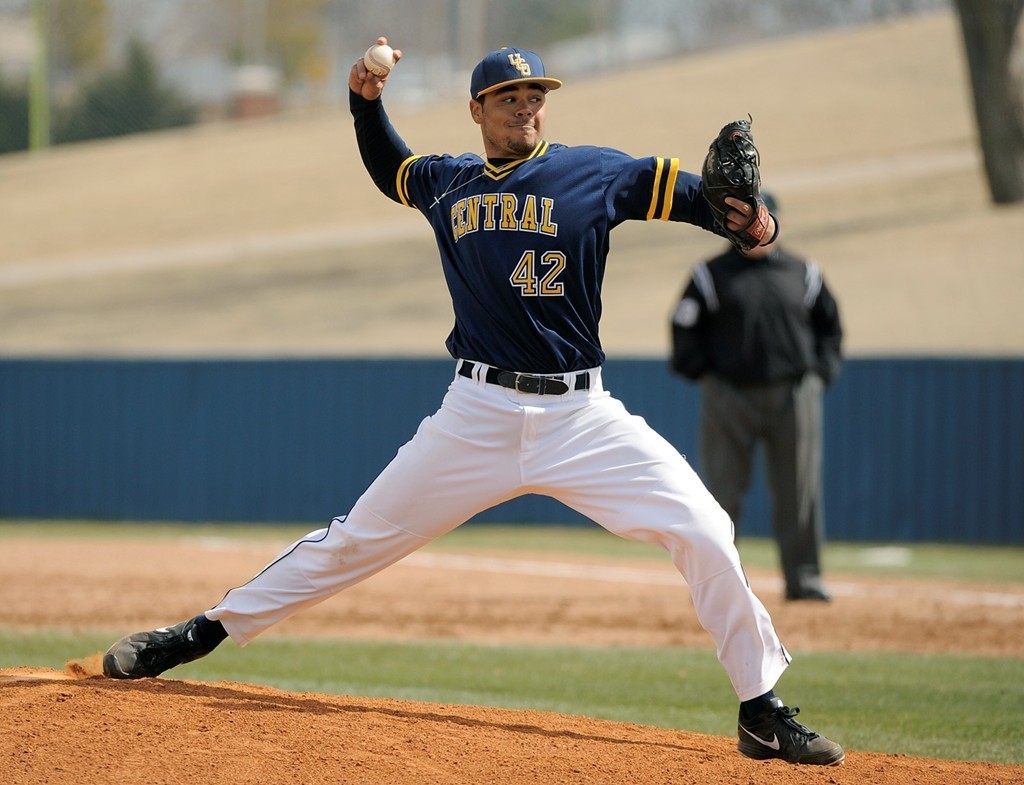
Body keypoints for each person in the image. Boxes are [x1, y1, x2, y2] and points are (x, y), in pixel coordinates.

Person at [101, 39, 844, 767]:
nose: (526, 106)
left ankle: (760, 708)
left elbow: (697, 198)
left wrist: (752, 223)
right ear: (477, 111)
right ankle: (198, 633)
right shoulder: (449, 181)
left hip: (580, 417)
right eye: (509, 97)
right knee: (355, 540)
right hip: (475, 415)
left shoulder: (594, 172)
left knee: (706, 527)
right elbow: (389, 167)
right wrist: (365, 101)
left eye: (535, 96)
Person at [670, 192, 844, 601]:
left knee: (799, 490)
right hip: (729, 396)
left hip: (793, 394)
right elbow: (684, 328)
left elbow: (830, 329)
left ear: (775, 223)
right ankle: (719, 583)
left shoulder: (804, 273)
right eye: (745, 222)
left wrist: (819, 376)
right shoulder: (709, 275)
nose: (755, 230)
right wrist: (705, 373)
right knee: (720, 493)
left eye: (762, 221)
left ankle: (804, 578)